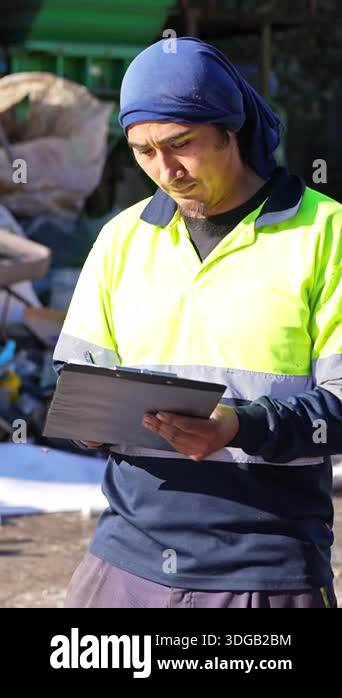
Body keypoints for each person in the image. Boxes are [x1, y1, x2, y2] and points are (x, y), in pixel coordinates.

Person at [53, 37, 342, 608]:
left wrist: (239, 426)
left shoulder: (324, 234)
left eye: (180, 145)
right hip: (123, 562)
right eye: (143, 151)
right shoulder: (122, 238)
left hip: (265, 568)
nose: (166, 171)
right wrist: (85, 416)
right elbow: (76, 371)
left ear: (229, 129)